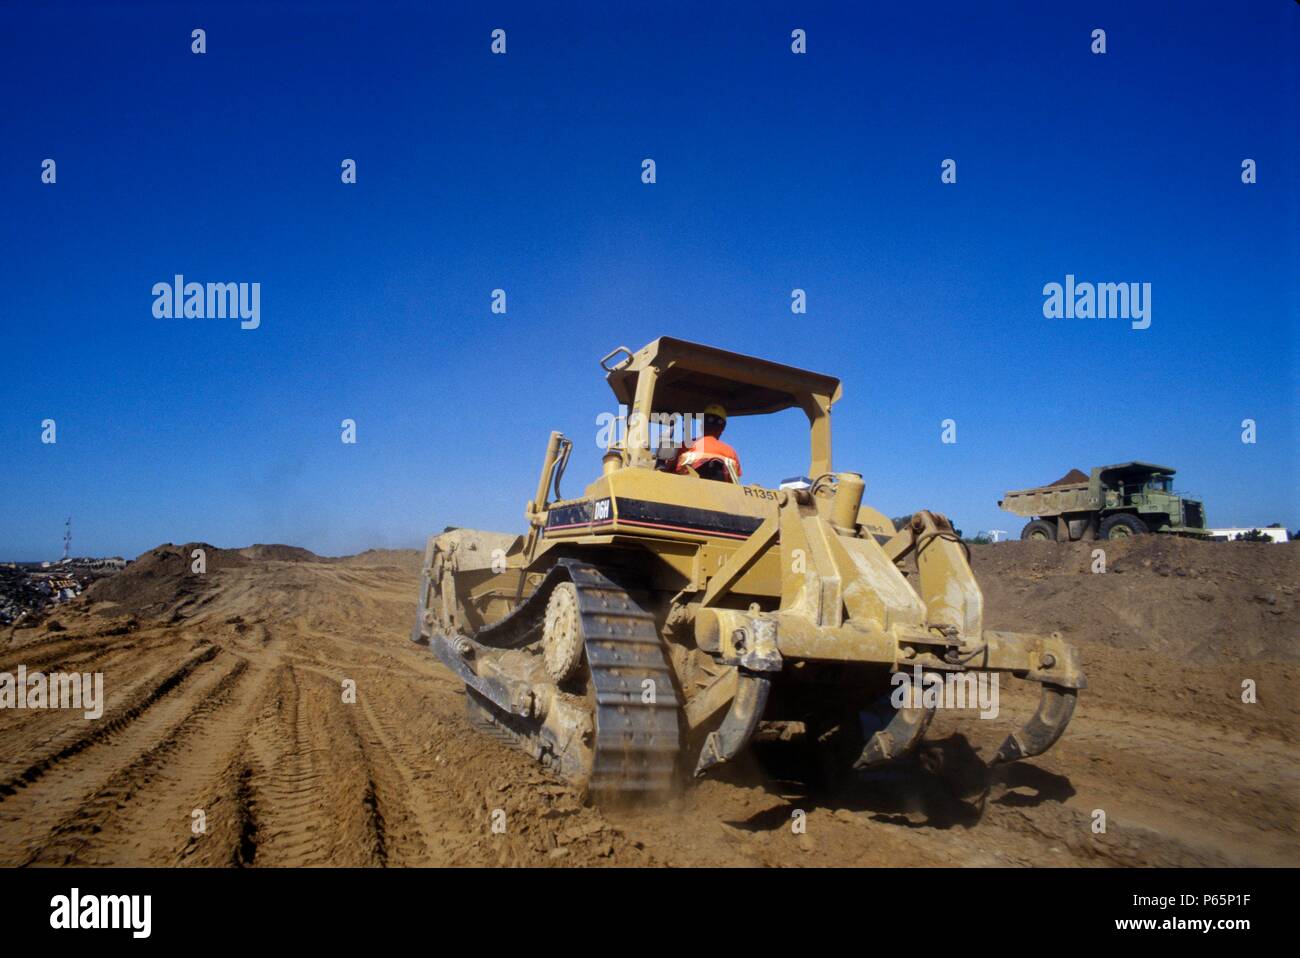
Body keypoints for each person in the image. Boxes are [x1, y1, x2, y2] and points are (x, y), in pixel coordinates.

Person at [670, 404, 742, 482]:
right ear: (722, 428)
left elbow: (668, 470)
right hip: (720, 492)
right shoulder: (731, 453)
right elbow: (736, 479)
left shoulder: (685, 445)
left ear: (701, 425)